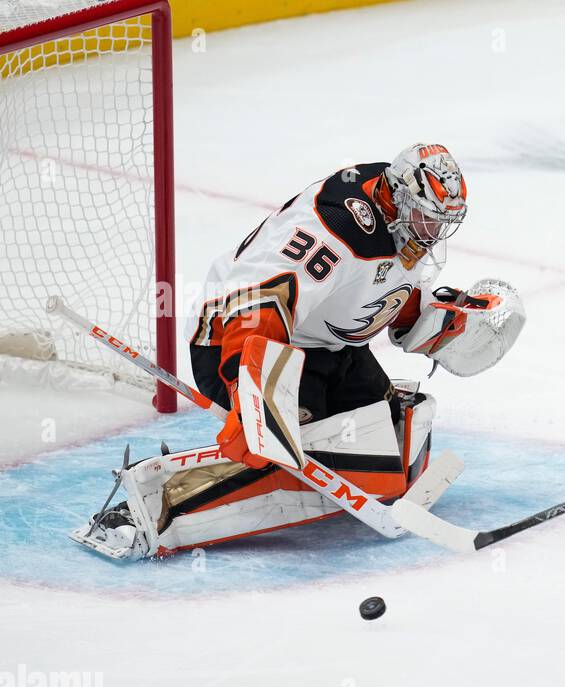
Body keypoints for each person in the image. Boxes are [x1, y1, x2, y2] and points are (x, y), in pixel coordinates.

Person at [72, 143, 525, 559]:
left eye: (442, 223)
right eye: (428, 219)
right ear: (401, 198)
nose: (433, 233)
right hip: (239, 343)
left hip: (318, 346)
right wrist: (252, 394)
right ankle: (146, 510)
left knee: (393, 433)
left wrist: (441, 318)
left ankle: (291, 458)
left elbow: (374, 291)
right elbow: (255, 306)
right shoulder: (336, 227)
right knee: (287, 450)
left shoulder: (393, 221)